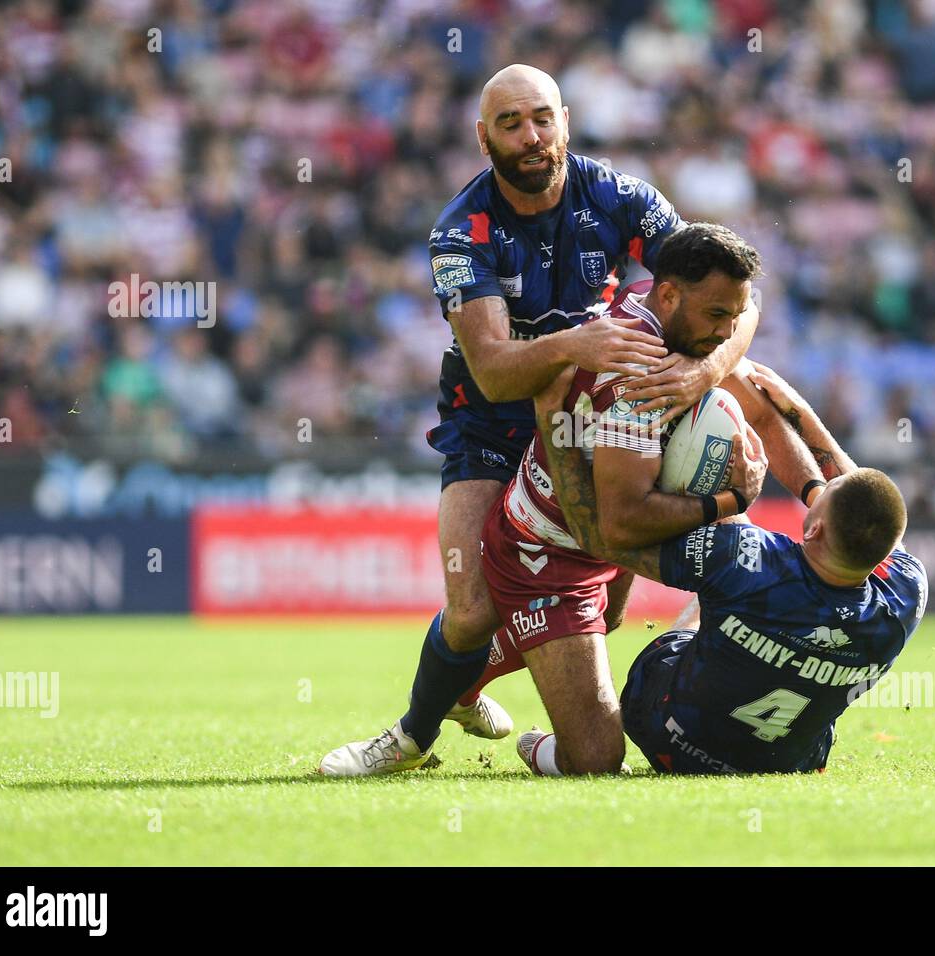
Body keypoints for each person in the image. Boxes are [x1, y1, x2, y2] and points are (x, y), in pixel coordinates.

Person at [319, 66, 758, 773]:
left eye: (541, 119)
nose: (530, 137)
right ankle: (411, 739)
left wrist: (705, 372)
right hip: (491, 428)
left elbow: (732, 293)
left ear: (565, 119)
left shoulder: (617, 196)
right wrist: (579, 343)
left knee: (606, 612)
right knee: (469, 611)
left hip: (588, 427)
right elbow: (493, 368)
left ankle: (470, 685)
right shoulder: (461, 232)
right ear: (483, 137)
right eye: (510, 124)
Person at [522, 360, 929, 775]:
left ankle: (555, 747)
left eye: (822, 493)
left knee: (719, 553)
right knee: (737, 596)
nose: (818, 490)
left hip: (669, 737)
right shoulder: (907, 594)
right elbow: (876, 517)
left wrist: (724, 497)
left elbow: (604, 539)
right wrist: (801, 416)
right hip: (787, 762)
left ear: (815, 529)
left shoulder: (744, 557)